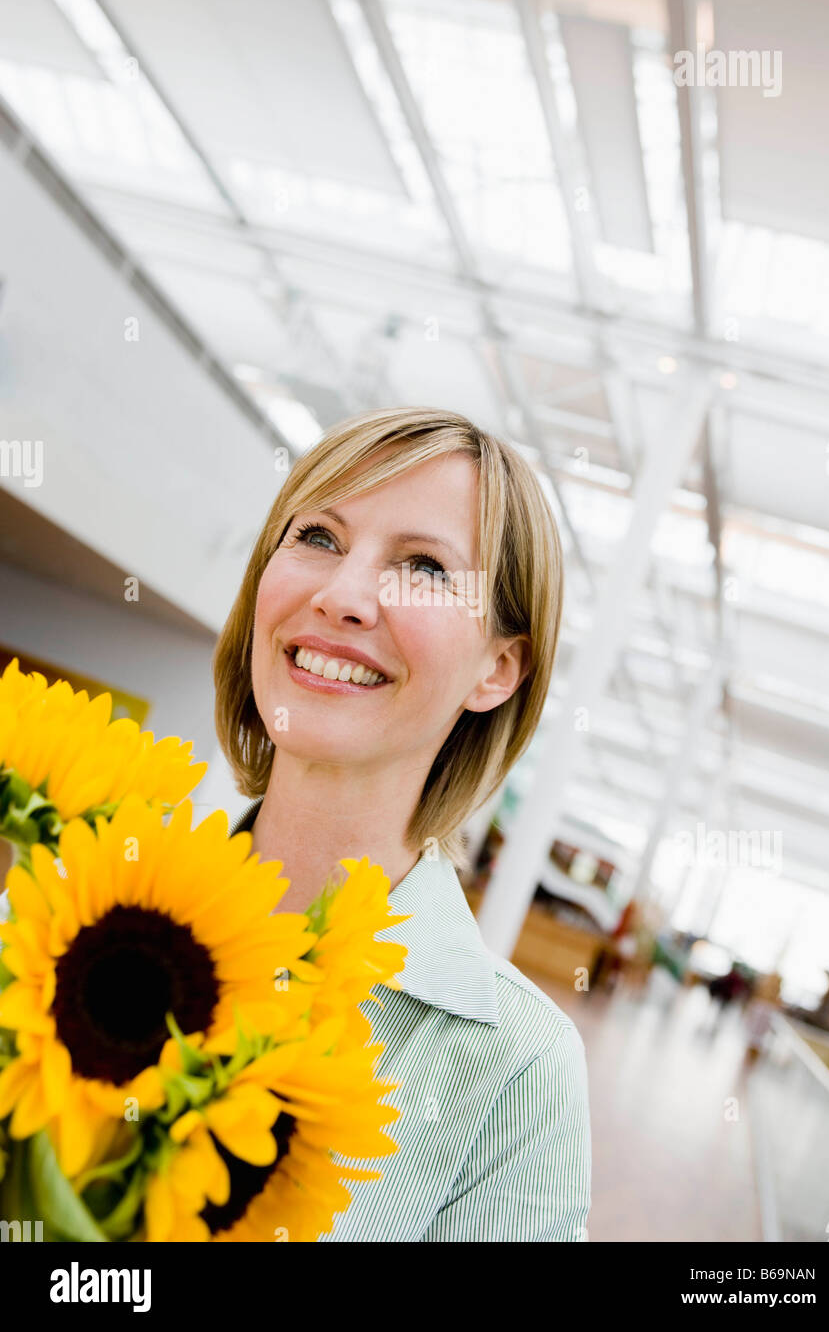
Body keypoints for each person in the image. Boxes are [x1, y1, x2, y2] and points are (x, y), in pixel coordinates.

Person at [214, 406, 592, 1241]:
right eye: (317, 536)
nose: (343, 596)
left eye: (422, 567)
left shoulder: (515, 1073)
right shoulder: (74, 900)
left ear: (497, 668)